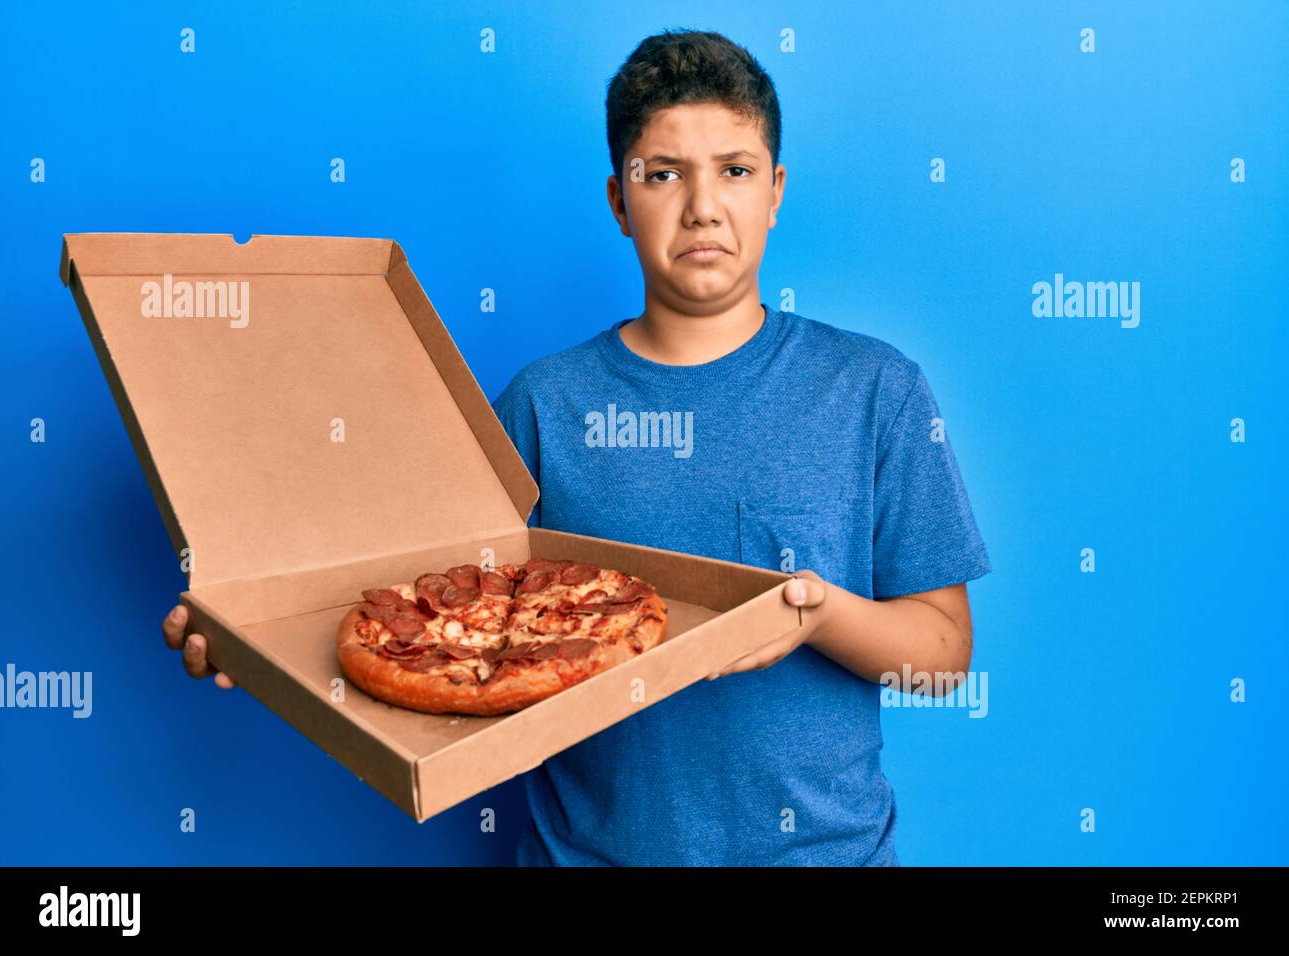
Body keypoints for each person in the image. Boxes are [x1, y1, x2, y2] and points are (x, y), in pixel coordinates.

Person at [163, 28, 992, 866]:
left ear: (775, 191)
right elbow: (417, 607)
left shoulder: (875, 389)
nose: (702, 206)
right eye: (662, 174)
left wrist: (813, 609)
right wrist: (260, 638)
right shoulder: (540, 404)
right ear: (618, 200)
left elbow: (946, 655)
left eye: (735, 171)